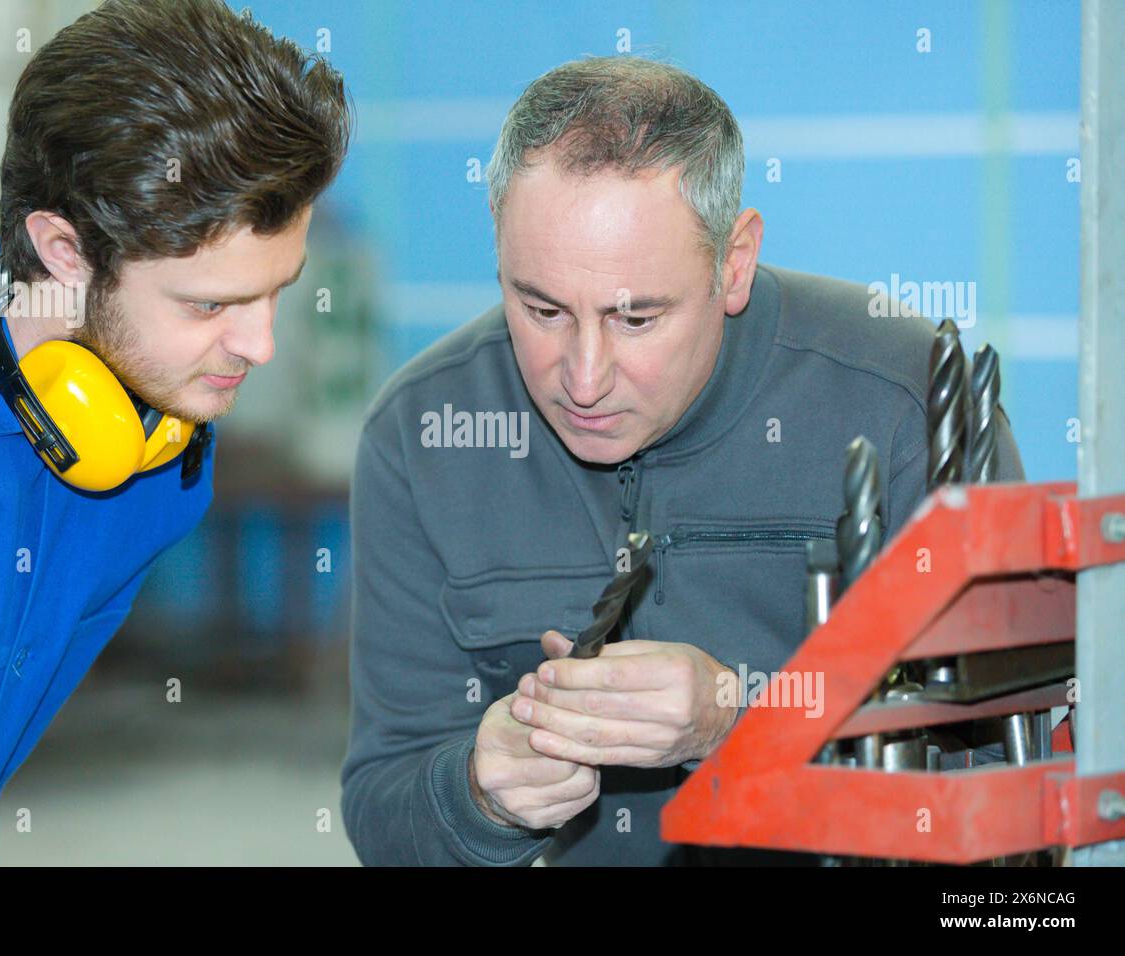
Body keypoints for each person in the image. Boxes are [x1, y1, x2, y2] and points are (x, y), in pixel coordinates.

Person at [340, 55, 1022, 866]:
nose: (584, 378)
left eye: (637, 319)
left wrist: (742, 717)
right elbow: (383, 813)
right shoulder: (422, 436)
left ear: (732, 263)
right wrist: (477, 795)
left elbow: (1013, 778)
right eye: (542, 308)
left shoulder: (905, 403)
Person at [0, 0, 350, 865]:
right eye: (210, 304)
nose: (260, 345)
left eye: (277, 290)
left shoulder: (166, 463)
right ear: (65, 254)